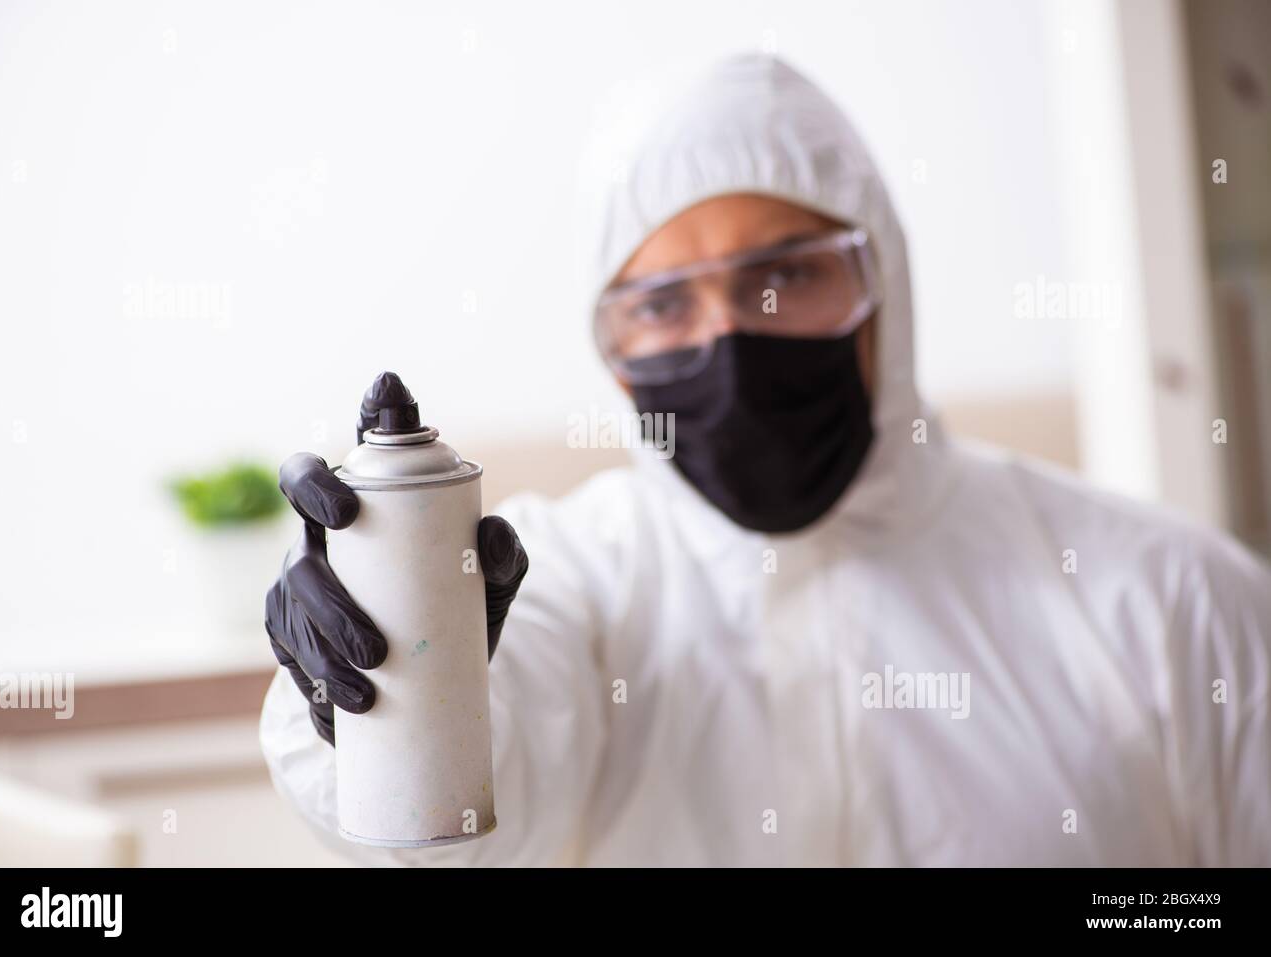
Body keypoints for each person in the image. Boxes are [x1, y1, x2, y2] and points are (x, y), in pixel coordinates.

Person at [259, 54, 1271, 866]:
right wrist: (384, 685)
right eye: (661, 303)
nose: (733, 339)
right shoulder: (568, 580)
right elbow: (471, 814)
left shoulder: (1168, 598)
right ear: (609, 352)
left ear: (888, 283)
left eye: (786, 274)